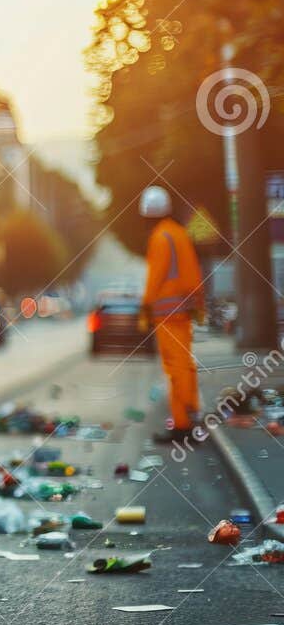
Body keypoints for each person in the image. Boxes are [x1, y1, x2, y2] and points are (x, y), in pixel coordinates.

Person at [137, 185, 203, 443]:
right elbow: (194, 271)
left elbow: (156, 277)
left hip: (167, 314)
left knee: (175, 369)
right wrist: (199, 306)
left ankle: (183, 424)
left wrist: (146, 306)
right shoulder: (180, 234)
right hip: (183, 313)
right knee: (184, 364)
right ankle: (187, 416)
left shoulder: (159, 237)